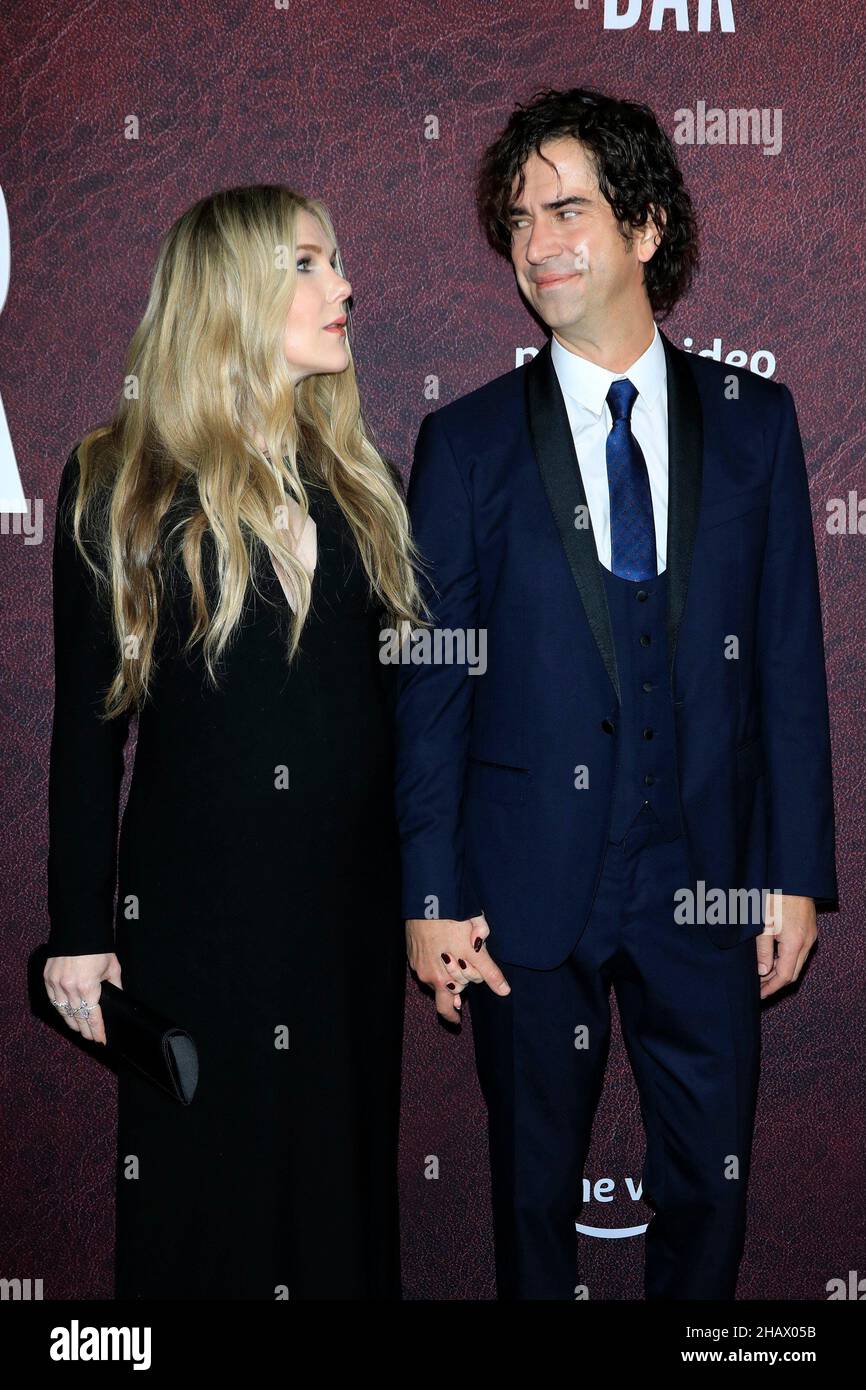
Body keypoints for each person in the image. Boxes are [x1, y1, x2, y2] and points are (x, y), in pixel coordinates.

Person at [394, 87, 837, 1300]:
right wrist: (427, 892)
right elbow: (431, 678)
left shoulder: (755, 424)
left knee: (711, 1186)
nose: (538, 243)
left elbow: (787, 661)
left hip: (705, 871)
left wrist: (794, 868)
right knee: (530, 1192)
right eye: (519, 217)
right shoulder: (469, 443)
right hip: (522, 881)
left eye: (568, 209)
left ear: (644, 226)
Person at [44, 184, 422, 1300]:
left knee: (338, 1201)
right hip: (194, 927)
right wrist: (77, 929)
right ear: (229, 291)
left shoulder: (363, 484)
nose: (344, 285)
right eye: (307, 263)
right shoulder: (117, 479)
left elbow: (401, 721)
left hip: (343, 921)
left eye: (337, 262)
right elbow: (84, 726)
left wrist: (437, 889)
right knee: (199, 1210)